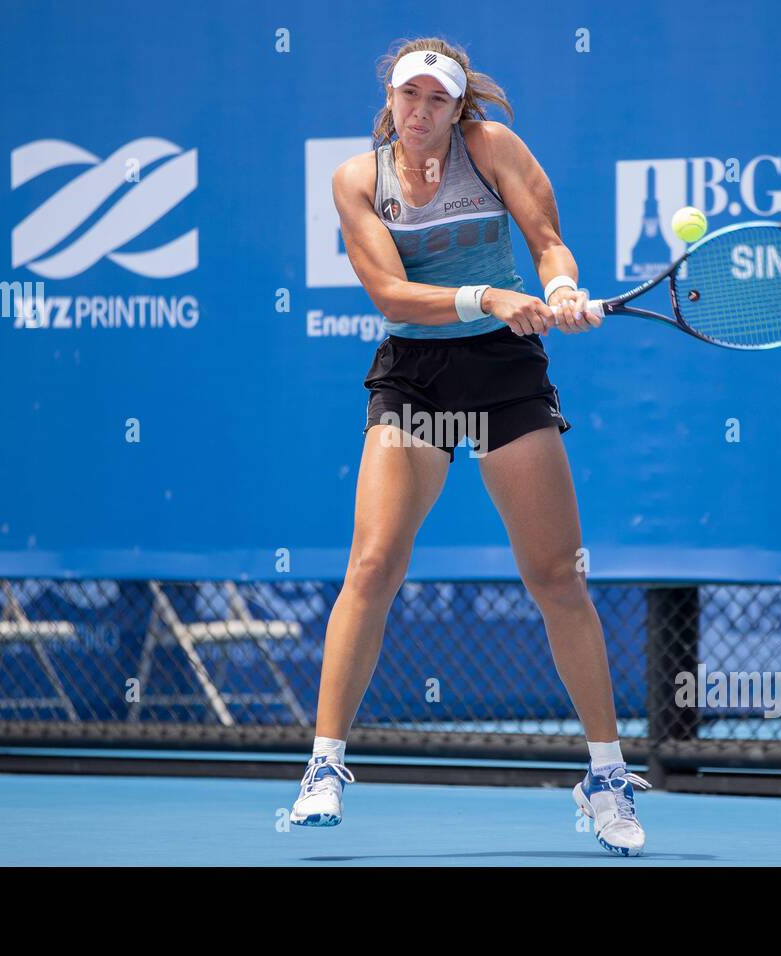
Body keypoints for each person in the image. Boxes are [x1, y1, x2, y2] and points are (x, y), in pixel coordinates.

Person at [288, 37, 650, 856]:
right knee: (373, 563)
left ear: (459, 108)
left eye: (436, 100)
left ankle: (605, 776)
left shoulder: (490, 150)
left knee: (557, 575)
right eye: (408, 96)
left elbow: (548, 238)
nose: (419, 113)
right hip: (415, 376)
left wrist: (557, 287)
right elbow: (390, 293)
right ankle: (324, 765)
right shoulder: (356, 180)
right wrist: (485, 292)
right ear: (390, 97)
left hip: (503, 374)